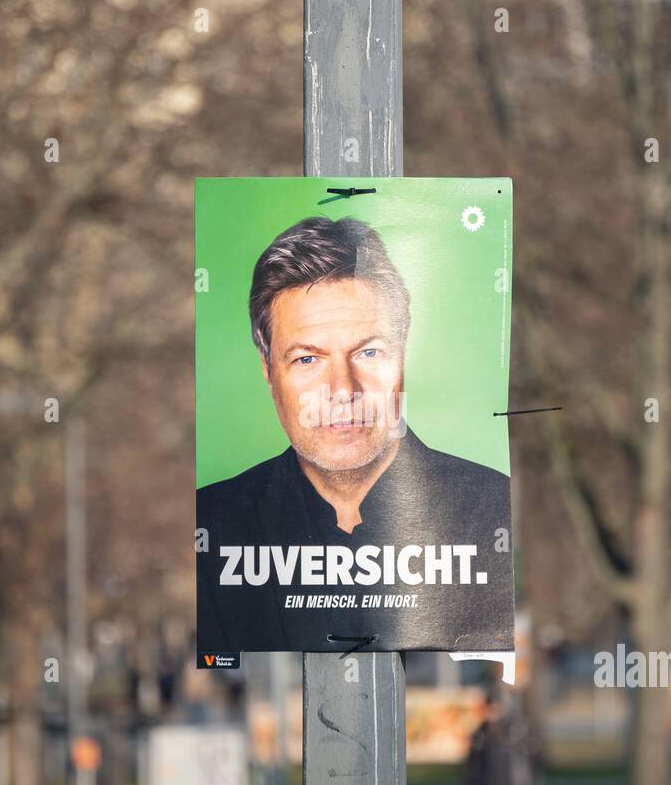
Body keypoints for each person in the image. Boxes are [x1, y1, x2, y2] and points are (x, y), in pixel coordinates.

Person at [197, 216, 512, 652]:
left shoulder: (494, 507)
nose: (343, 390)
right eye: (308, 359)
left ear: (403, 357)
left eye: (369, 351)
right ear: (269, 373)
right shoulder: (212, 523)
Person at [461, 689, 541, 785]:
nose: (492, 713)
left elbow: (530, 763)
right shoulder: (479, 735)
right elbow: (472, 768)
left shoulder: (517, 732)